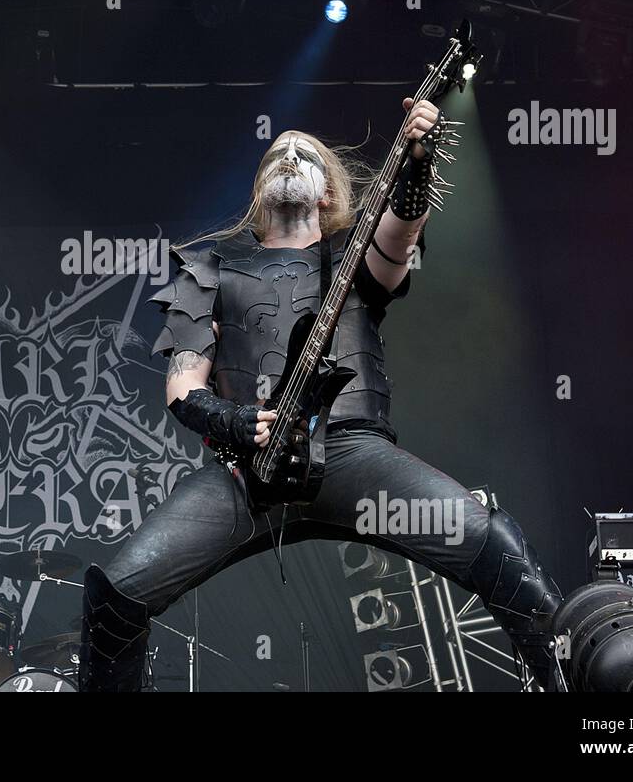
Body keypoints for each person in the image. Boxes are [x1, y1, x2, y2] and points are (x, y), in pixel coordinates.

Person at [78, 98, 564, 691]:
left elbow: (398, 236)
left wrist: (415, 163)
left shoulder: (353, 254)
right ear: (259, 192)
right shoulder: (209, 267)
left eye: (303, 153)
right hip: (247, 471)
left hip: (354, 457)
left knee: (497, 547)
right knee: (115, 596)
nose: (287, 154)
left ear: (328, 193)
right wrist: (236, 424)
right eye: (276, 153)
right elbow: (182, 385)